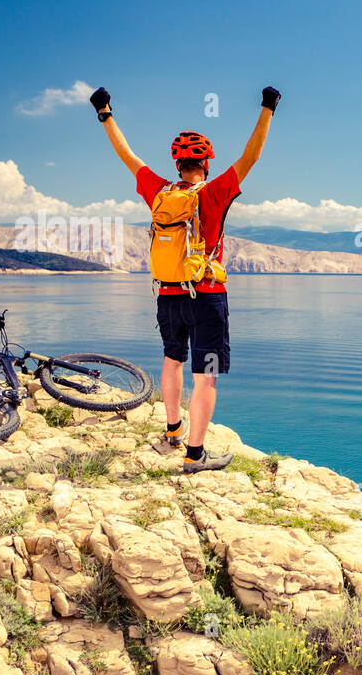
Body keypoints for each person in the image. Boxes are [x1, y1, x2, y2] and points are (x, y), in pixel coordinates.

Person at [88, 84, 280, 472]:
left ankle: (173, 431)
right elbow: (252, 155)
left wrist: (104, 112)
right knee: (205, 377)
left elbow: (126, 155)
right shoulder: (216, 191)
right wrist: (268, 107)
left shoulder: (159, 190)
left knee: (172, 360)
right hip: (207, 297)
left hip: (169, 296)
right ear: (206, 164)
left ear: (177, 166)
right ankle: (195, 455)